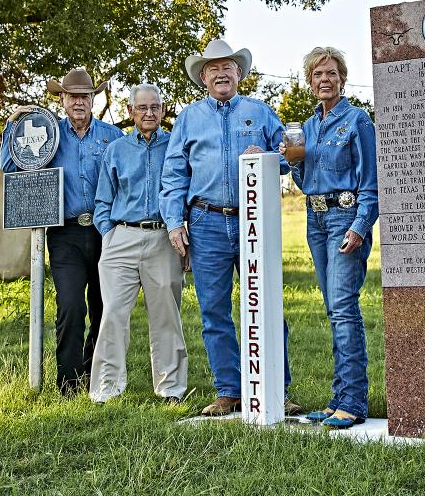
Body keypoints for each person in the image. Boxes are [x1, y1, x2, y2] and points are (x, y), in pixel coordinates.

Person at [160, 38, 303, 417]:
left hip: (254, 217)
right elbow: (173, 174)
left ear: (239, 73)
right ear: (203, 77)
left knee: (268, 304)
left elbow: (290, 155)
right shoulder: (188, 118)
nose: (221, 73)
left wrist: (269, 154)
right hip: (204, 221)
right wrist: (174, 222)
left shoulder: (260, 111)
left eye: (227, 67)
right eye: (213, 69)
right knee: (214, 311)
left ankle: (277, 389)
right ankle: (229, 391)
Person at [0, 69, 123, 396]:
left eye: (85, 96)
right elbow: (10, 166)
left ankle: (95, 376)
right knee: (71, 307)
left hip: (106, 231)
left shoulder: (113, 137)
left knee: (104, 307)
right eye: (72, 96)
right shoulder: (47, 135)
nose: (79, 102)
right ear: (62, 100)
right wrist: (13, 124)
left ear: (93, 99)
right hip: (65, 234)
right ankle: (69, 384)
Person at [280, 47, 378, 429]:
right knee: (333, 309)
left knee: (343, 307)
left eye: (331, 73)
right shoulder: (307, 125)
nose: (325, 79)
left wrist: (360, 226)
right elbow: (304, 180)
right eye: (318, 74)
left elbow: (371, 182)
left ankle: (352, 402)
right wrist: (293, 161)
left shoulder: (357, 121)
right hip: (314, 220)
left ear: (342, 79)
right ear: (310, 81)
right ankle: (338, 400)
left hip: (344, 218)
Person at [90, 83, 188, 404]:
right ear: (131, 111)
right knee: (113, 314)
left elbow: (185, 192)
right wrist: (110, 235)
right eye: (142, 107)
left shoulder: (175, 145)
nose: (149, 113)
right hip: (122, 238)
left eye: (155, 107)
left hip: (164, 237)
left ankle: (170, 388)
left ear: (162, 110)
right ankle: (107, 388)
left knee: (166, 316)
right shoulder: (116, 149)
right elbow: (103, 200)